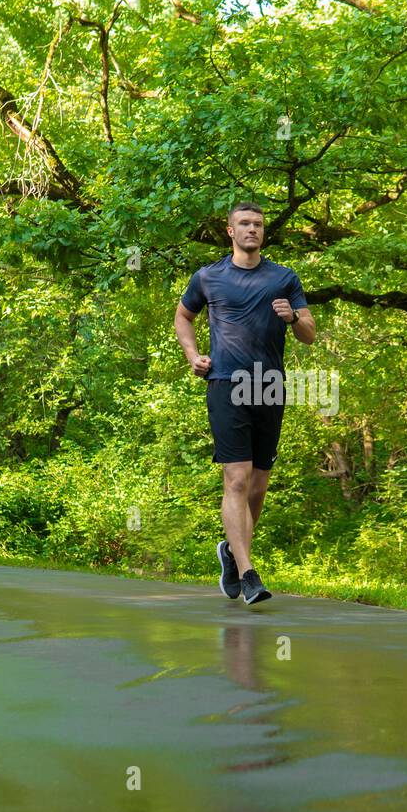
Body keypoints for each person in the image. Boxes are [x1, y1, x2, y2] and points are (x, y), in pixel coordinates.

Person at [174, 202, 315, 604]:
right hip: (225, 383)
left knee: (257, 486)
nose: (252, 229)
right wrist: (192, 356)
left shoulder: (284, 278)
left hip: (269, 386)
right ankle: (249, 572)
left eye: (258, 224)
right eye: (244, 224)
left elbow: (310, 334)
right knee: (236, 478)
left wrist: (292, 319)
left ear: (263, 232)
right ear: (231, 231)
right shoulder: (209, 277)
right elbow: (183, 317)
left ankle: (232, 554)